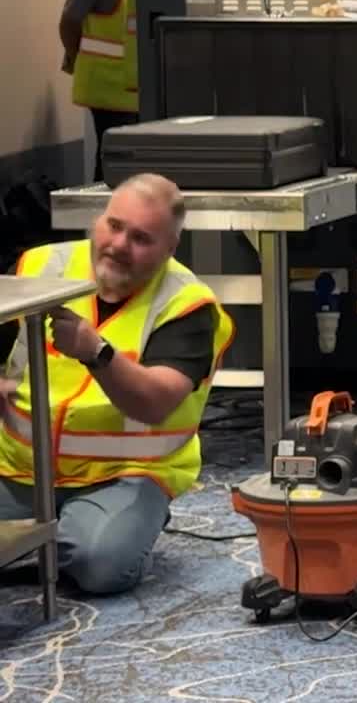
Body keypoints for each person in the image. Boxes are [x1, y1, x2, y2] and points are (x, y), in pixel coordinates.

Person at [0, 174, 234, 595]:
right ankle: (52, 539)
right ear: (97, 221)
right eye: (114, 225)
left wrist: (96, 352)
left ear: (169, 248)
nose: (119, 245)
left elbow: (155, 402)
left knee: (101, 563)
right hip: (18, 469)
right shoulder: (38, 266)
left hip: (123, 476)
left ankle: (95, 531)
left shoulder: (187, 304)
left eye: (141, 238)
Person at [60, 0, 143, 179]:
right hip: (106, 87)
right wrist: (76, 58)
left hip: (123, 87)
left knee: (123, 164)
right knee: (113, 167)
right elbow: (70, 19)